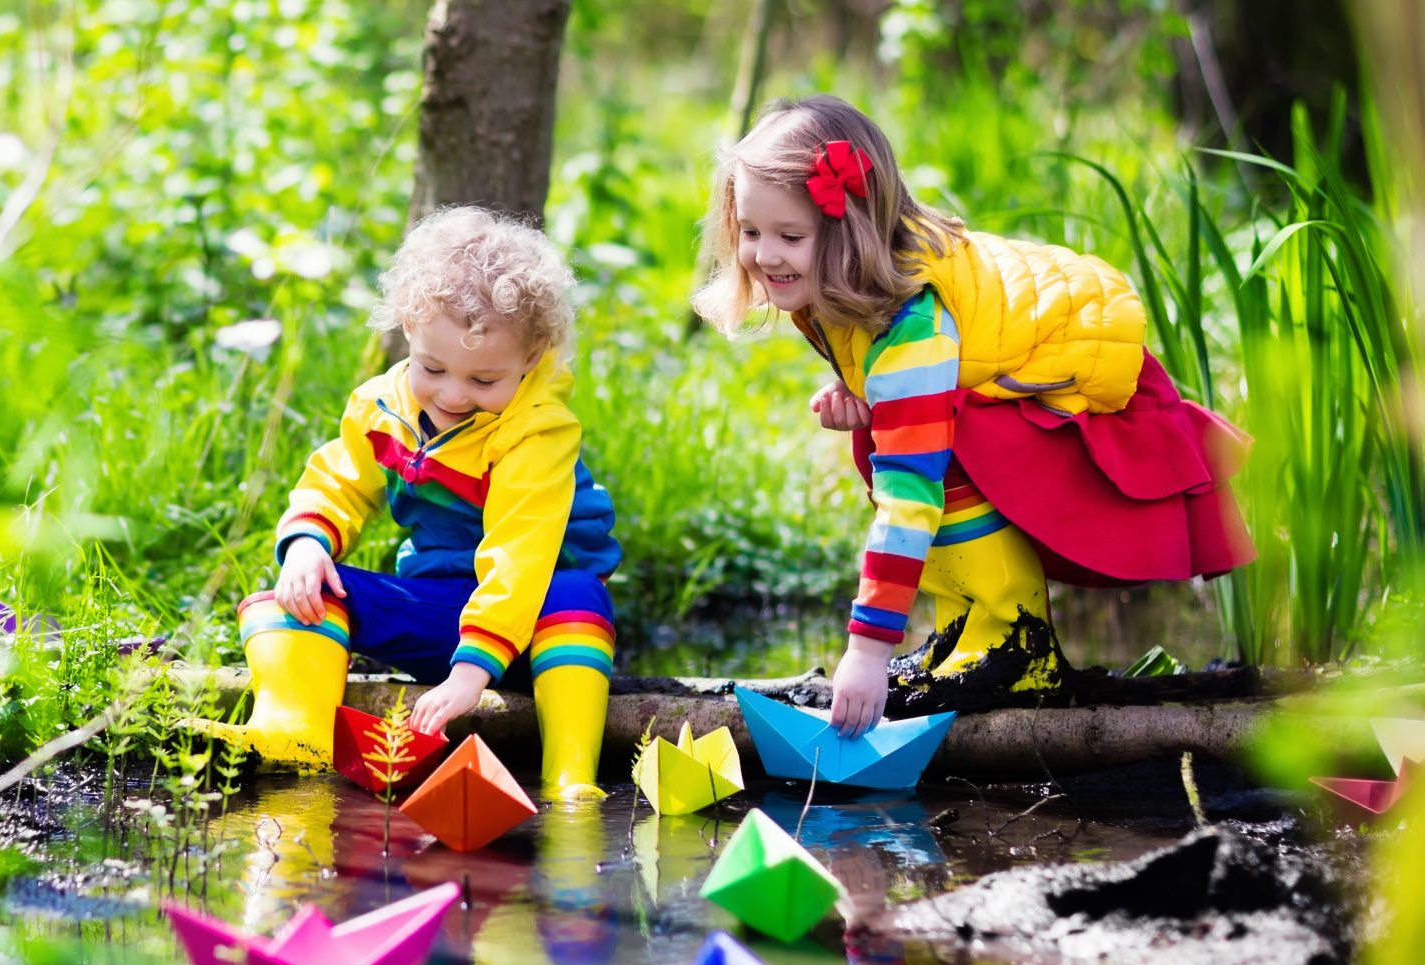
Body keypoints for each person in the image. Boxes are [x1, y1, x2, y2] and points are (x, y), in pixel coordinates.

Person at [693, 95, 1254, 735]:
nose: (765, 255)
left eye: (790, 236)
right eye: (751, 232)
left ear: (852, 234)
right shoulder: (843, 283)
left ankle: (1015, 641)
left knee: (931, 454)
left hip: (1075, 387)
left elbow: (910, 494)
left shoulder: (914, 324)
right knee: (895, 435)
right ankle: (965, 629)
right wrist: (864, 394)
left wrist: (867, 651)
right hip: (1004, 375)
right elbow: (894, 375)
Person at [204, 205, 621, 801]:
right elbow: (340, 482)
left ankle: (569, 778)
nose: (452, 394)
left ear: (531, 358)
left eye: (483, 381)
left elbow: (519, 556)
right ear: (408, 328)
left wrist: (470, 674)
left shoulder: (537, 432)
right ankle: (292, 739)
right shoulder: (381, 406)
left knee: (575, 590)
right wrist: (306, 545)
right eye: (434, 367)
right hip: (441, 615)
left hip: (538, 630)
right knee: (304, 590)